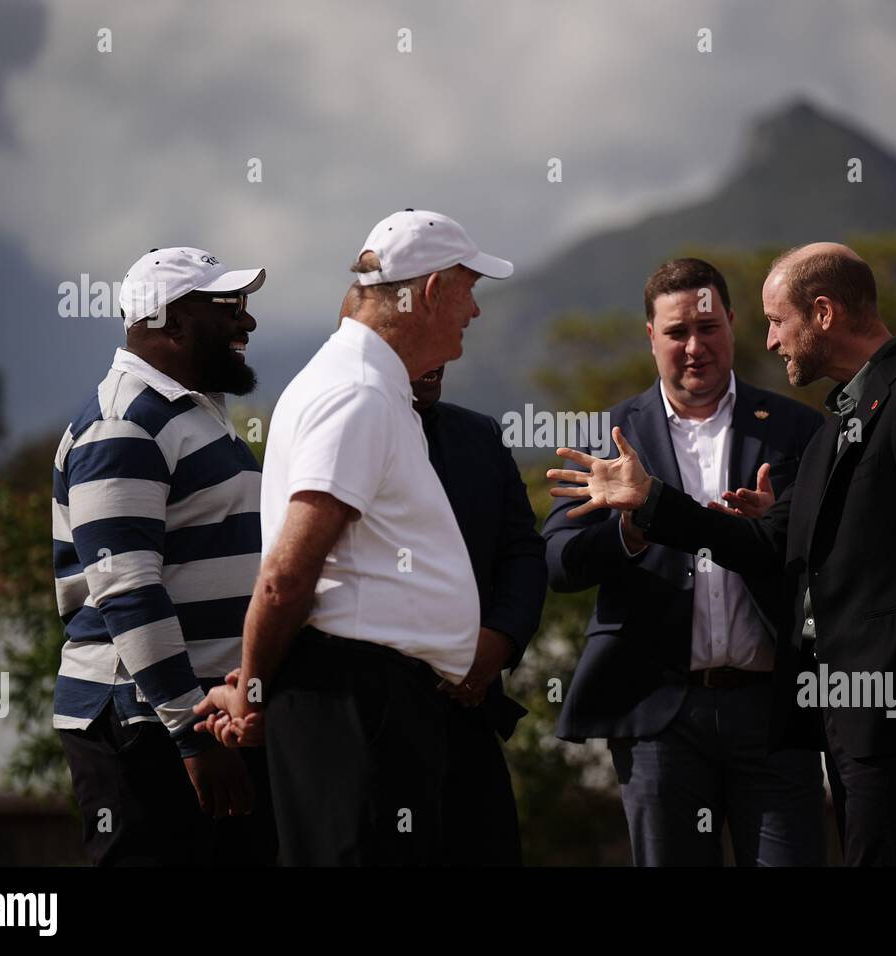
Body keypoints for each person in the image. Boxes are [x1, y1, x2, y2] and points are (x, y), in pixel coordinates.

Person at [550, 243, 896, 866]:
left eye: (778, 321)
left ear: (824, 313)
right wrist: (650, 506)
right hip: (839, 719)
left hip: (888, 719)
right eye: (679, 331)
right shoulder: (843, 414)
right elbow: (764, 543)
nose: (774, 339)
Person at [202, 209, 513, 865]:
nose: (475, 311)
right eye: (469, 288)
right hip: (358, 704)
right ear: (429, 292)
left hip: (364, 701)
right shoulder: (358, 393)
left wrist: (255, 687)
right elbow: (288, 574)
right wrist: (253, 689)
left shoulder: (364, 385)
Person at [544, 257, 827, 866]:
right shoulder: (608, 432)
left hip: (773, 711)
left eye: (708, 328)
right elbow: (558, 562)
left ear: (732, 321)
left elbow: (835, 564)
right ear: (651, 336)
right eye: (677, 333)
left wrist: (776, 533)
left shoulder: (798, 428)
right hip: (657, 716)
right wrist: (629, 534)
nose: (695, 346)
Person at [53, 246, 276, 865]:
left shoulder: (196, 412)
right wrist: (189, 737)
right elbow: (127, 590)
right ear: (170, 323)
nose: (247, 322)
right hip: (144, 729)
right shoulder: (124, 421)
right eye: (229, 307)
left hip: (202, 723)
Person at [412, 362, 546, 865]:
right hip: (374, 730)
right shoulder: (341, 433)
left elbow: (522, 552)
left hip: (470, 717)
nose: (437, 360)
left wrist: (501, 640)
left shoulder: (479, 434)